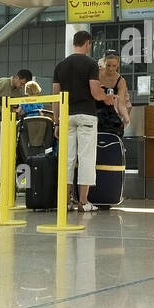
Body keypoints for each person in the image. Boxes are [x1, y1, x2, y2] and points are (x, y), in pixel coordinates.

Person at [52, 31, 115, 213]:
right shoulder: (90, 63)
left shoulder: (60, 66)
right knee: (86, 157)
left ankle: (65, 202)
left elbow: (55, 97)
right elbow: (95, 92)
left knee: (67, 159)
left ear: (74, 43)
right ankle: (83, 202)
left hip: (66, 116)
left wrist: (56, 122)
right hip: (86, 115)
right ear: (87, 43)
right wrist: (107, 98)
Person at [0, 69, 34, 197]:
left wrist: (16, 112)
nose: (22, 86)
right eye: (22, 83)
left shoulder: (19, 92)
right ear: (16, 78)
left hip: (0, 125)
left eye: (24, 85)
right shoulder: (3, 83)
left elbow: (14, 108)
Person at [96, 52, 130, 136]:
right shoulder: (96, 73)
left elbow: (121, 103)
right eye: (108, 65)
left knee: (116, 129)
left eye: (114, 66)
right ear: (104, 63)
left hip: (108, 111)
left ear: (118, 64)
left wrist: (126, 118)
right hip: (94, 109)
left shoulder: (120, 81)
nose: (111, 69)